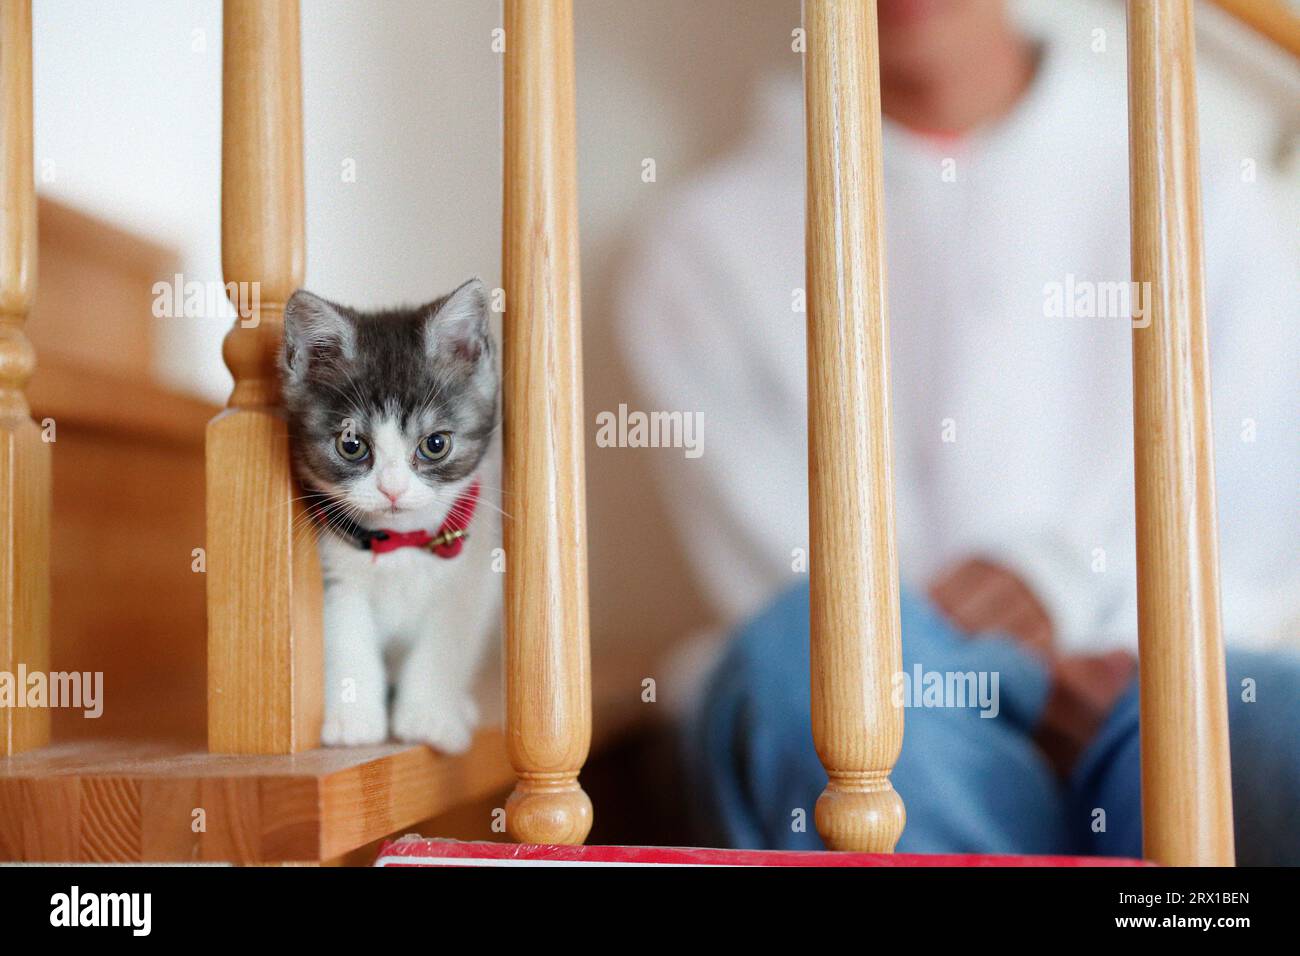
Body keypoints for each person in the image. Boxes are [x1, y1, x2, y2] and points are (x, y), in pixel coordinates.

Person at [614, 0, 1299, 862]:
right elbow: (799, 577)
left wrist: (1065, 592)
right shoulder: (694, 252)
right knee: (811, 667)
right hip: (896, 708)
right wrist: (987, 660)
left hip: (1148, 673)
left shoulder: (1207, 183)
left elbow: (1256, 524)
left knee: (1257, 718)